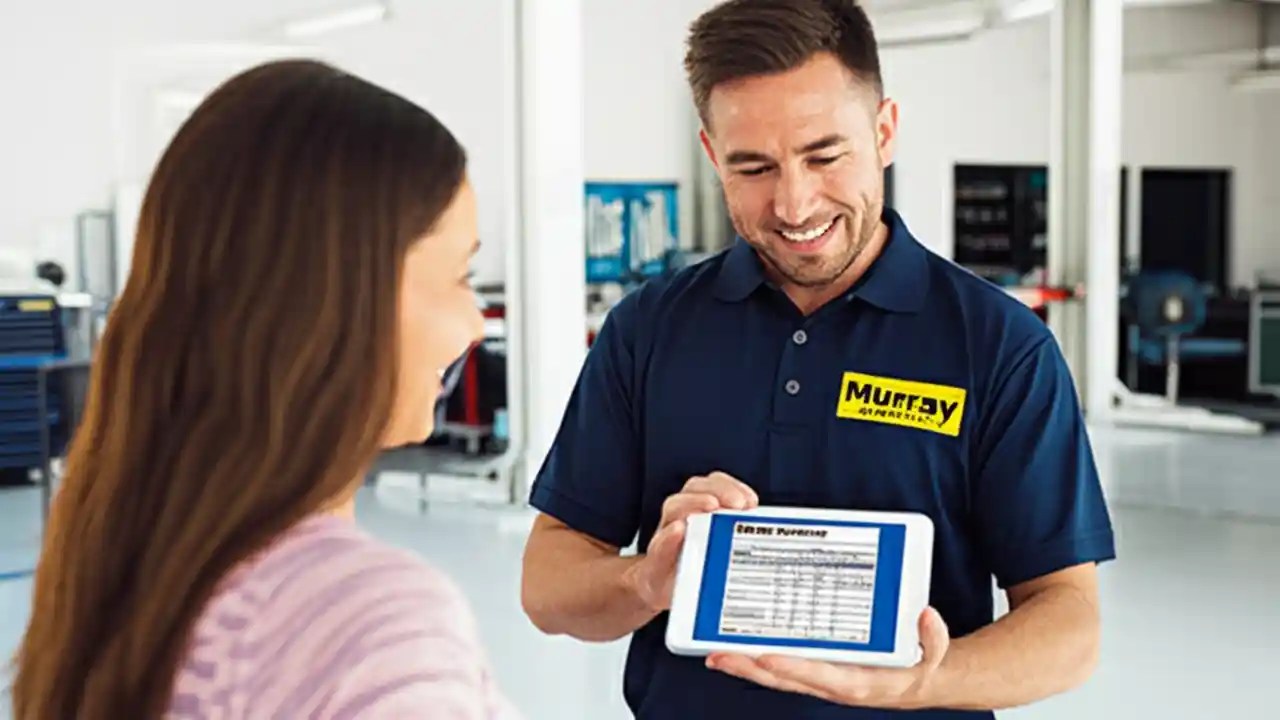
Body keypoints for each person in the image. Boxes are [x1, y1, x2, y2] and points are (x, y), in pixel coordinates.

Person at [520, 0, 1115, 718]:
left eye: (824, 156)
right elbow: (548, 583)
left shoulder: (1000, 348)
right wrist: (648, 581)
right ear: (713, 156)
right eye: (754, 167)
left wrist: (922, 680)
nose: (794, 203)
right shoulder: (647, 332)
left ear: (885, 130)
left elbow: (1069, 623)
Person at [12, 60, 516, 719]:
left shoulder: (126, 565)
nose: (476, 321)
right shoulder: (366, 623)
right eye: (458, 275)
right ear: (336, 300)